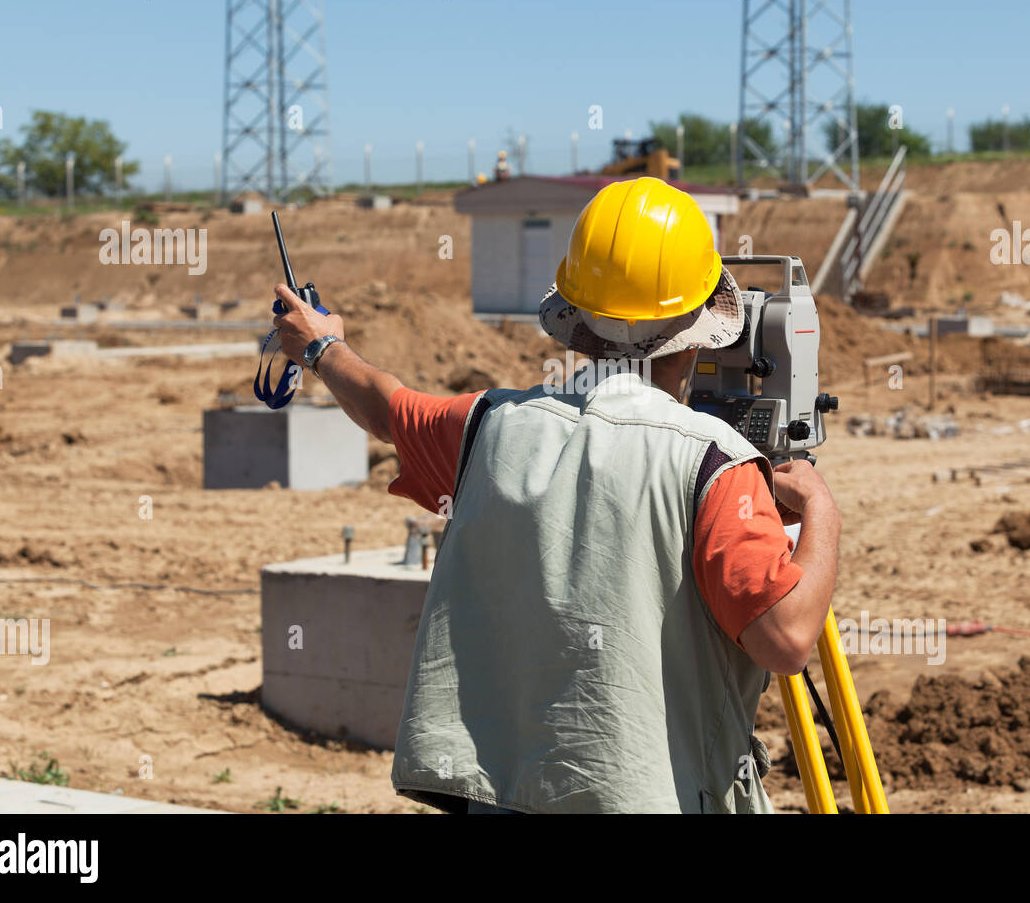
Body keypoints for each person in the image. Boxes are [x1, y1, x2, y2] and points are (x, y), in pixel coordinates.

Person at [272, 176, 841, 813]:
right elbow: (787, 640)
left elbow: (387, 407)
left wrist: (321, 345)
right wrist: (819, 509)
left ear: (576, 318)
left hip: (502, 796)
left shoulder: (488, 426)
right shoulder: (713, 462)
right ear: (704, 326)